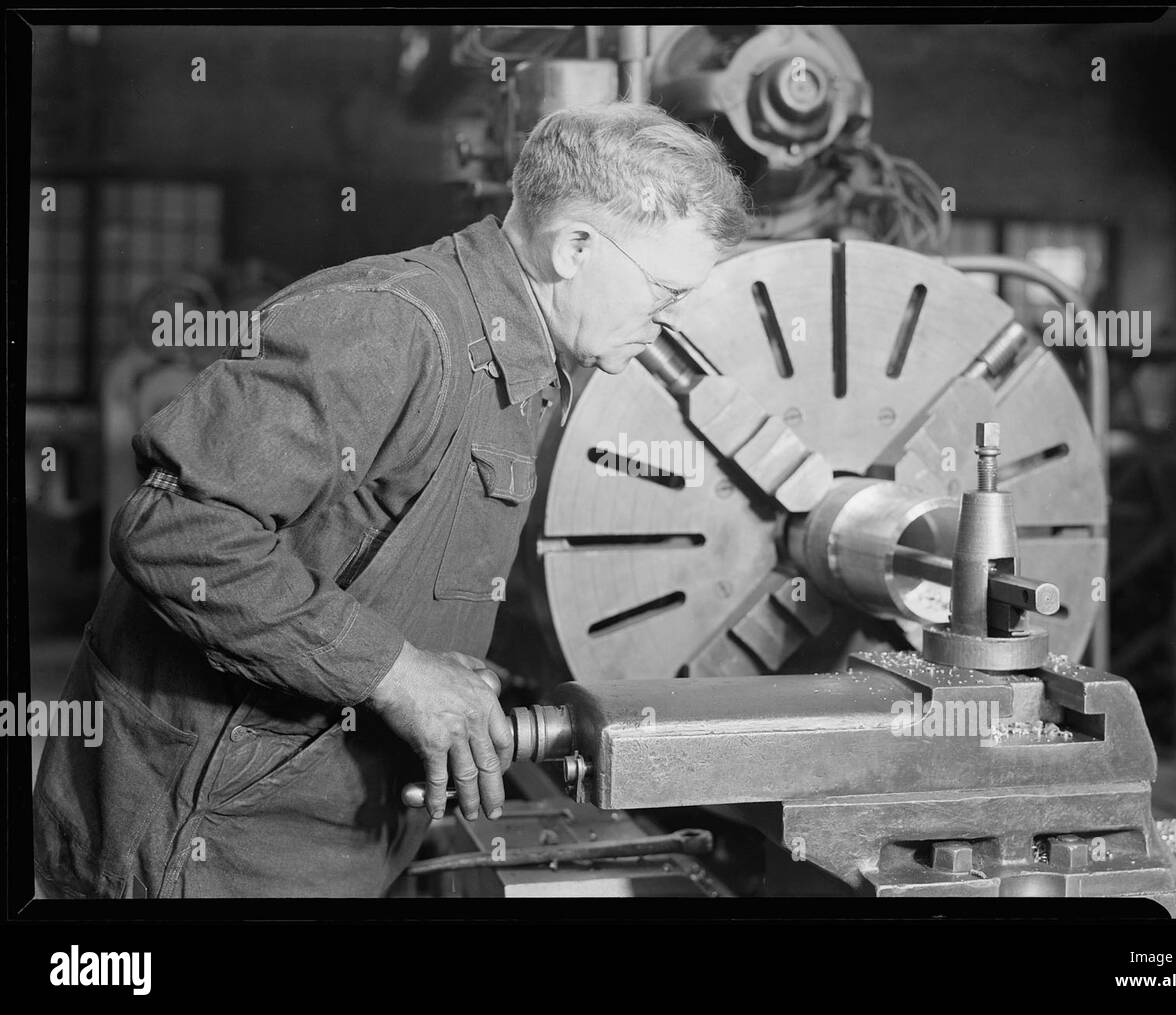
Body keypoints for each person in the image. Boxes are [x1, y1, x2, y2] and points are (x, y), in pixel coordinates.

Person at [32, 102, 750, 897]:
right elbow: (176, 531)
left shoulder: (525, 364)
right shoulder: (393, 326)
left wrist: (443, 652)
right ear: (575, 247)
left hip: (322, 824)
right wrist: (400, 674)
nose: (671, 317)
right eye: (665, 288)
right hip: (209, 834)